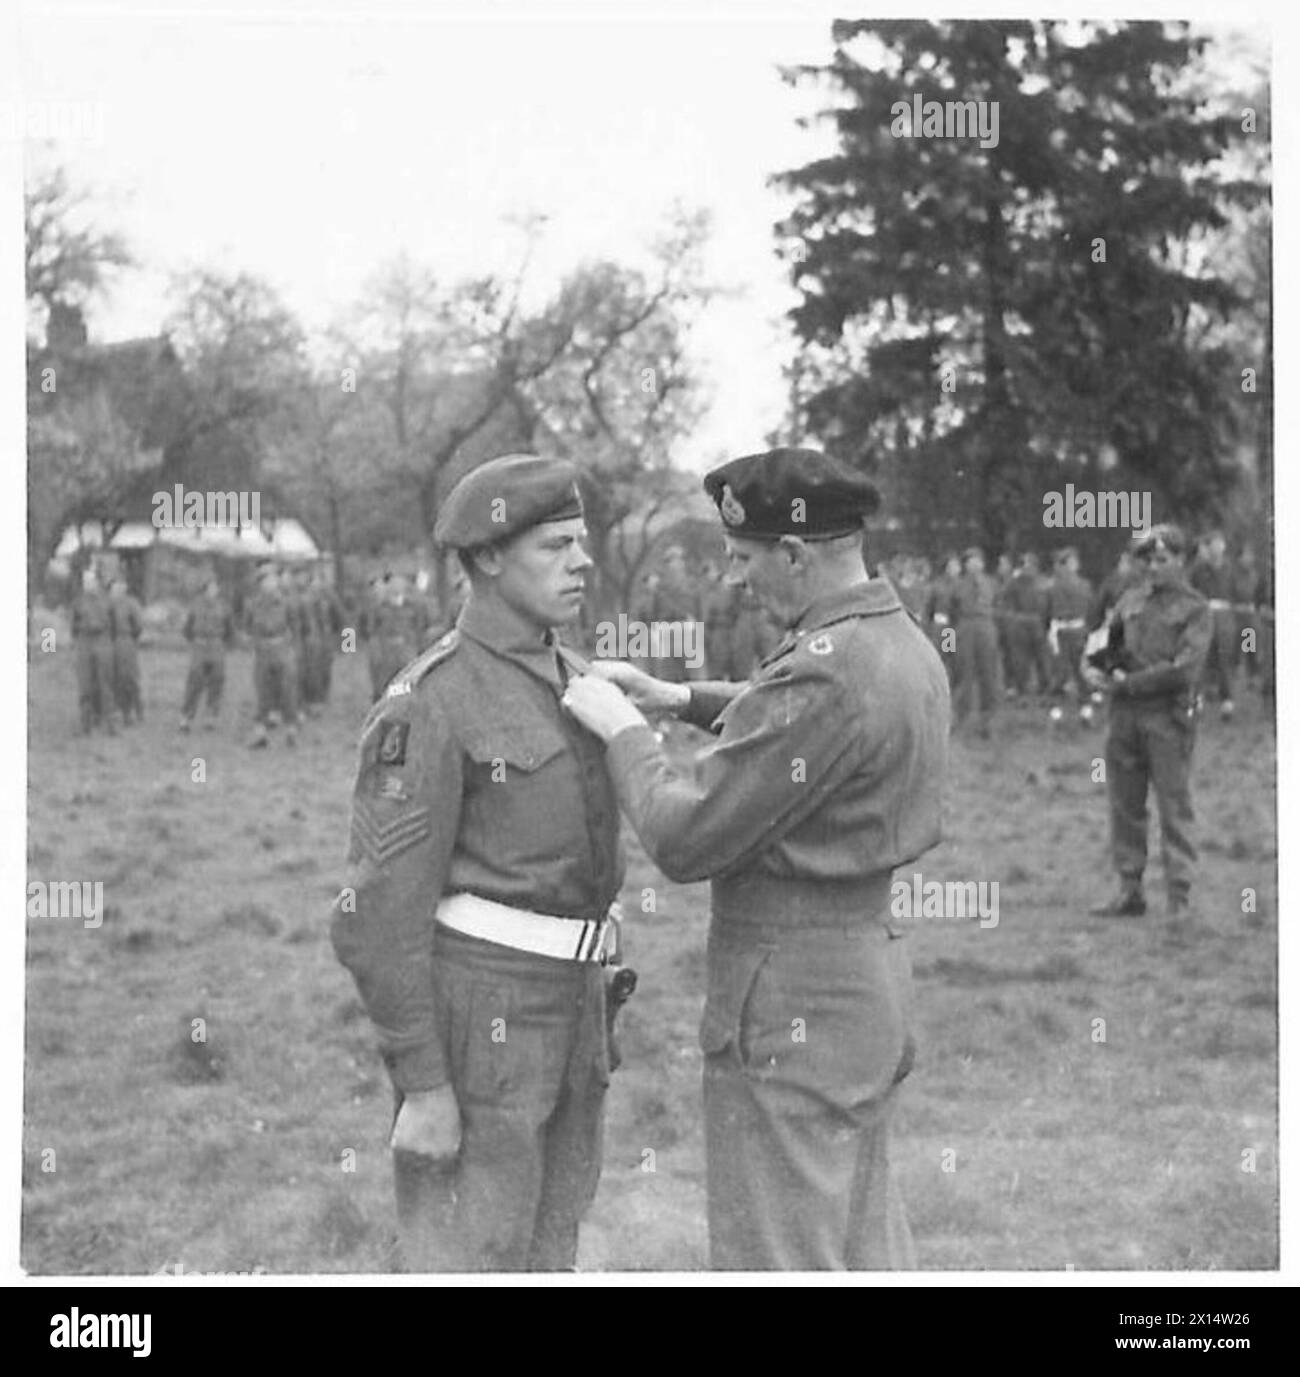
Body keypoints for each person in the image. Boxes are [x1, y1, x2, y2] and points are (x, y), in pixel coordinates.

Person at [563, 446, 950, 1271]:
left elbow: (685, 835)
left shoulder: (824, 670)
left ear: (797, 554)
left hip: (791, 997)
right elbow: (812, 725)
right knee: (860, 1240)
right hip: (864, 976)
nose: (736, 579)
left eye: (744, 558)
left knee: (777, 1253)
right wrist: (680, 699)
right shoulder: (892, 640)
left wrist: (624, 730)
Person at [330, 453, 624, 1273]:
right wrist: (424, 1084)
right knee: (474, 1251)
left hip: (578, 1011)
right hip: (485, 1019)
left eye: (582, 541)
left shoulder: (574, 675)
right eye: (555, 546)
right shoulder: (431, 700)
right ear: (487, 557)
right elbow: (375, 915)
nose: (582, 561)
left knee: (551, 1244)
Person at [1087, 524, 1211, 919]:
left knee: (1174, 805)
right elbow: (1104, 641)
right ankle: (1129, 889)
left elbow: (1185, 669)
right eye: (1148, 560)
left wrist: (1131, 682)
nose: (1154, 568)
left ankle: (1180, 896)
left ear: (1181, 561)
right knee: (1124, 805)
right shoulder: (1130, 600)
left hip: (1167, 719)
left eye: (1163, 560)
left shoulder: (1196, 609)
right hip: (1124, 718)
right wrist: (1093, 668)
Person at [246, 564, 299, 748]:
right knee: (263, 691)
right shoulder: (253, 604)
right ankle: (260, 732)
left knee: (287, 690)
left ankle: (291, 729)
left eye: (273, 580)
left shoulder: (286, 603)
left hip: (282, 649)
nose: (271, 584)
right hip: (263, 651)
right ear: (260, 584)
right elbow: (247, 627)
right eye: (267, 580)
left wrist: (292, 648)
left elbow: (295, 625)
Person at [951, 546, 1001, 736]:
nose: (975, 564)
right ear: (965, 564)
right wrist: (949, 644)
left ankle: (987, 720)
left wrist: (997, 634)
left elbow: (998, 606)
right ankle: (959, 716)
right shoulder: (957, 585)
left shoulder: (991, 583)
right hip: (965, 626)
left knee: (989, 674)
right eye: (970, 560)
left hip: (986, 626)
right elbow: (949, 614)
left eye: (978, 560)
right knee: (964, 673)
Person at [180, 576, 235, 731]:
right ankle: (186, 717)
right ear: (204, 589)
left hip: (217, 646)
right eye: (210, 588)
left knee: (216, 680)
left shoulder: (224, 606)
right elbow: (187, 628)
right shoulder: (195, 606)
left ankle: (211, 716)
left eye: (215, 588)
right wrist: (196, 641)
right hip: (200, 645)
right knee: (195, 680)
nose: (213, 591)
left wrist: (223, 644)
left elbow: (230, 629)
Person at [70, 566, 117, 735]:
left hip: (103, 642)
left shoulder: (107, 601)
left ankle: (110, 724)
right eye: (85, 582)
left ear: (97, 583)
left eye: (91, 581)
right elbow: (73, 626)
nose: (88, 585)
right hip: (84, 643)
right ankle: (85, 725)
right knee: (85, 685)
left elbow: (114, 625)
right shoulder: (78, 602)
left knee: (106, 684)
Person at [108, 577, 144, 725]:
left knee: (128, 678)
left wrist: (128, 638)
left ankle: (132, 711)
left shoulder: (131, 603)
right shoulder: (106, 603)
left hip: (125, 641)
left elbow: (138, 626)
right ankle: (112, 711)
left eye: (120, 587)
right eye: (114, 587)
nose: (117, 590)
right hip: (107, 642)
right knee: (110, 677)